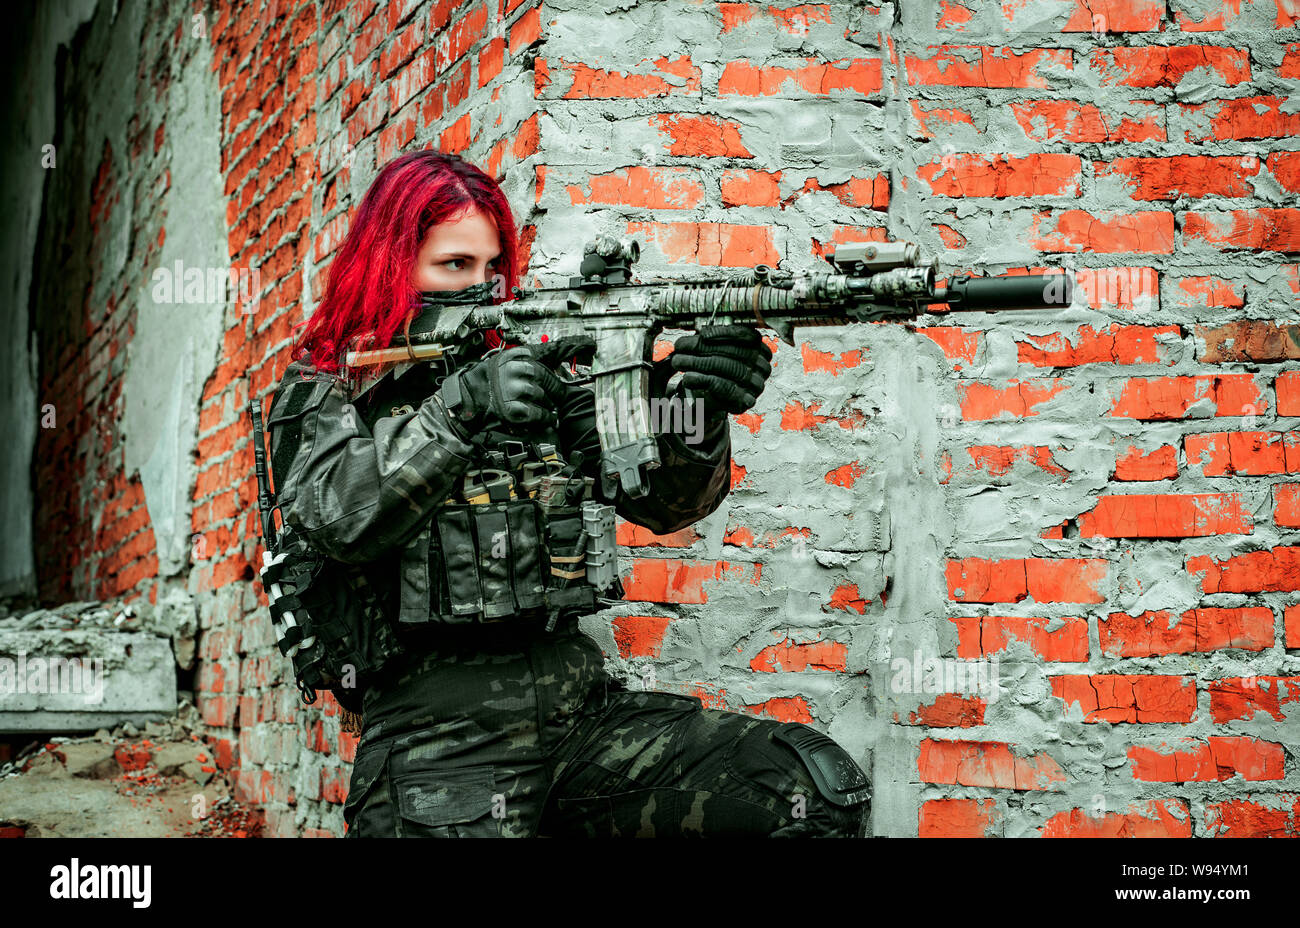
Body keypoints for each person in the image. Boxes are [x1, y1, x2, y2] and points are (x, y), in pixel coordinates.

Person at [267, 149, 870, 837]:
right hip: (436, 740)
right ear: (391, 265)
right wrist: (461, 409)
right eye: (454, 267)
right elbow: (341, 515)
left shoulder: (534, 369)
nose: (483, 288)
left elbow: (665, 502)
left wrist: (691, 408)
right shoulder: (328, 390)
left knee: (806, 786)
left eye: (493, 268)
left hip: (582, 718)